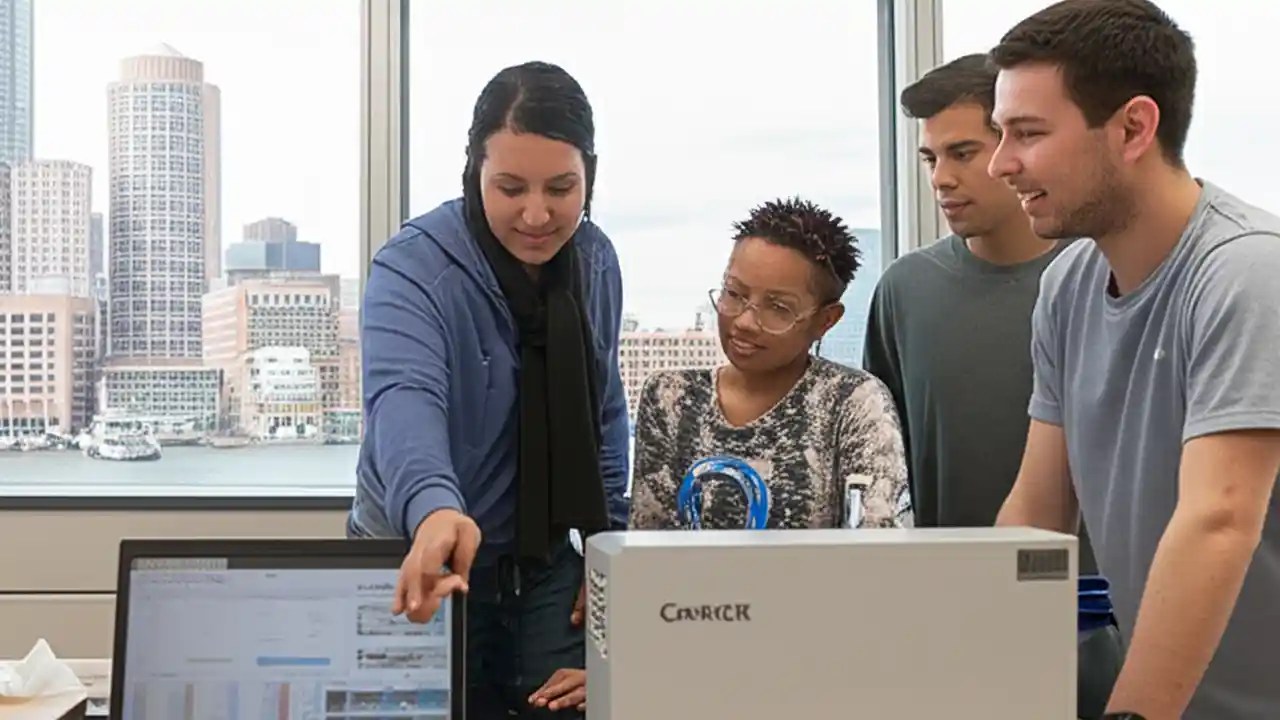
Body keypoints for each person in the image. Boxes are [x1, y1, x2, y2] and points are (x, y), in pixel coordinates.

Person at [987, 2, 1280, 718]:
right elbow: (1039, 511)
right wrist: (975, 670)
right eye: (1001, 135)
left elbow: (1219, 518)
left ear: (1133, 129)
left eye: (1028, 134)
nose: (1002, 164)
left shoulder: (1248, 273)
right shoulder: (1067, 285)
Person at [349, 61, 629, 719]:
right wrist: (436, 512)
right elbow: (405, 401)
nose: (537, 214)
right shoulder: (413, 267)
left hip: (543, 562)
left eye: (561, 188)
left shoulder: (595, 261)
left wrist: (608, 544)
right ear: (474, 173)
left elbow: (603, 413)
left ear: (591, 176)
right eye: (510, 188)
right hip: (421, 552)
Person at [628, 197, 911, 532]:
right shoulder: (672, 397)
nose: (745, 321)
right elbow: (647, 543)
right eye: (734, 294)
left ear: (826, 320)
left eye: (778, 307)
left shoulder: (853, 402)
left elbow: (879, 544)